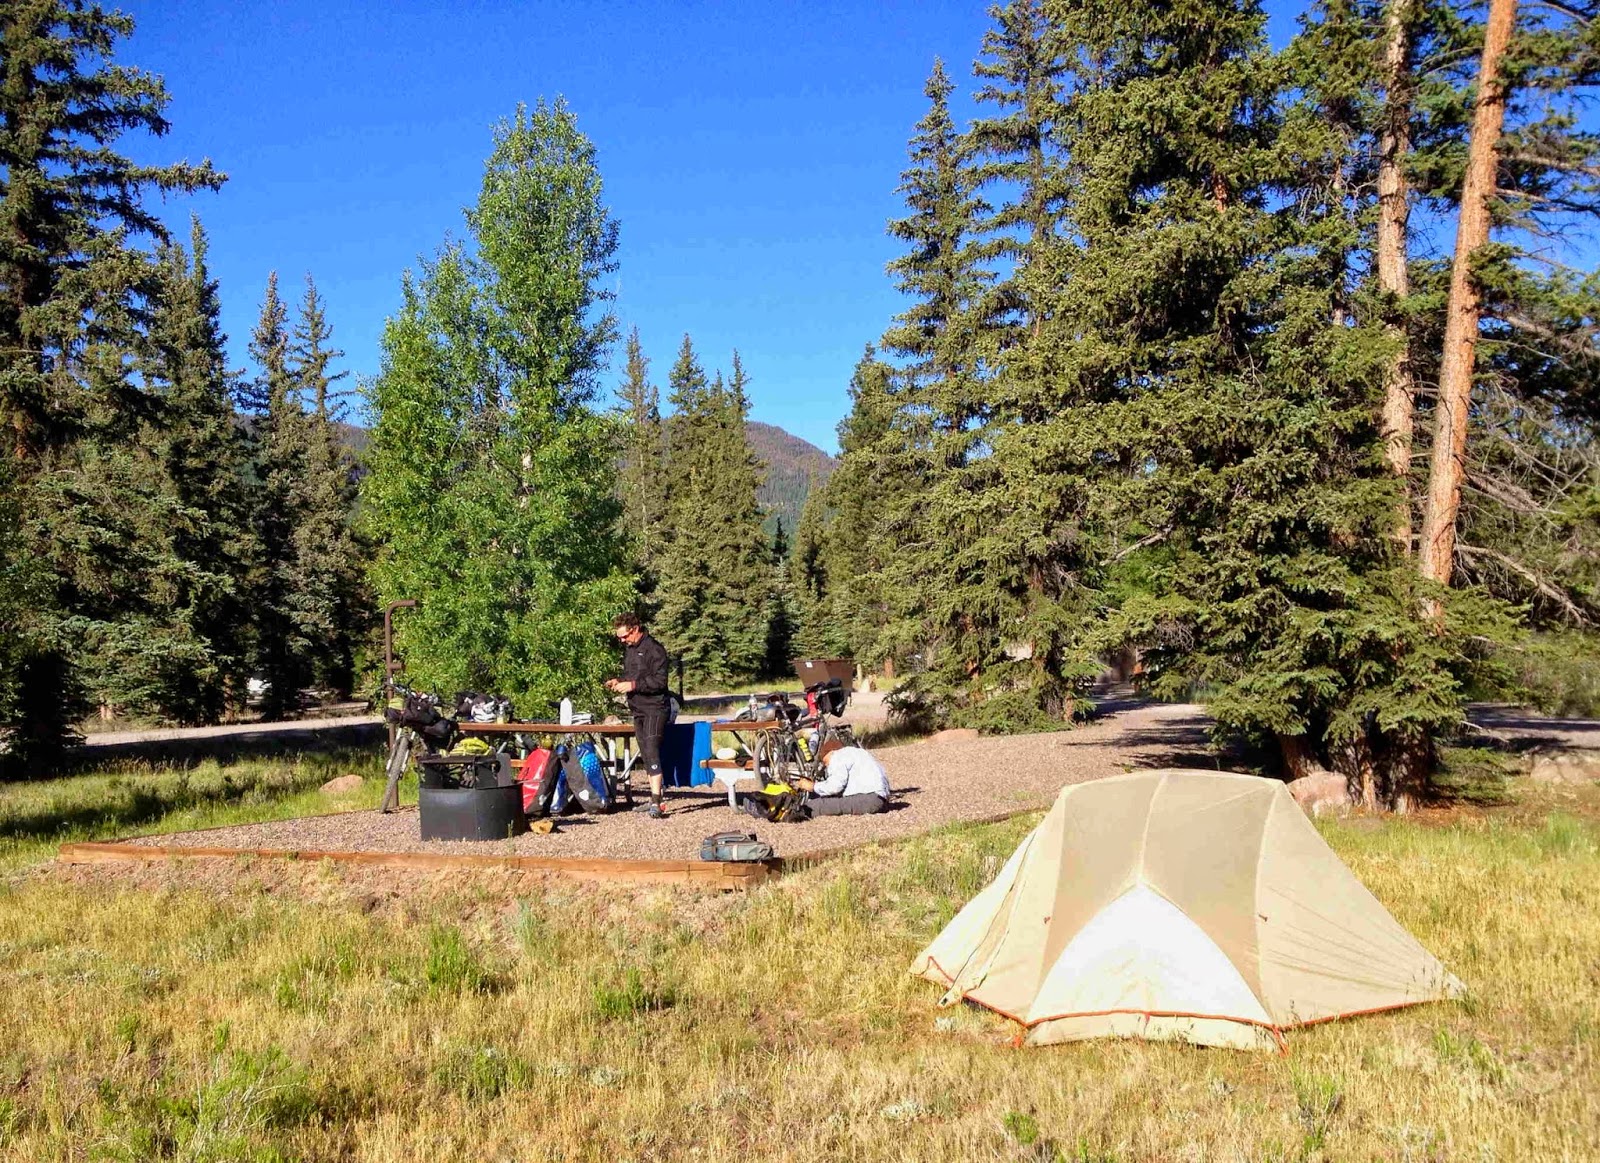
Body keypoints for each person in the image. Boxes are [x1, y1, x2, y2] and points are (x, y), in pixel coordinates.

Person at [604, 612, 671, 819]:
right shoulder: (631, 650)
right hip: (638, 708)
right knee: (644, 751)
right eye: (619, 638)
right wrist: (619, 681)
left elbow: (660, 682)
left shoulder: (655, 650)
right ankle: (654, 798)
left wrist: (632, 685)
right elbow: (632, 676)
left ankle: (657, 802)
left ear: (635, 629)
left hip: (655, 708)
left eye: (624, 636)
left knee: (651, 750)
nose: (622, 641)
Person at [795, 738, 891, 816]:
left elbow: (835, 787)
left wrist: (812, 786)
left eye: (826, 762)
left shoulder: (838, 756)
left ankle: (796, 813)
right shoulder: (858, 752)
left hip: (869, 799)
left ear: (831, 752)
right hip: (880, 799)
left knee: (817, 805)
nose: (827, 766)